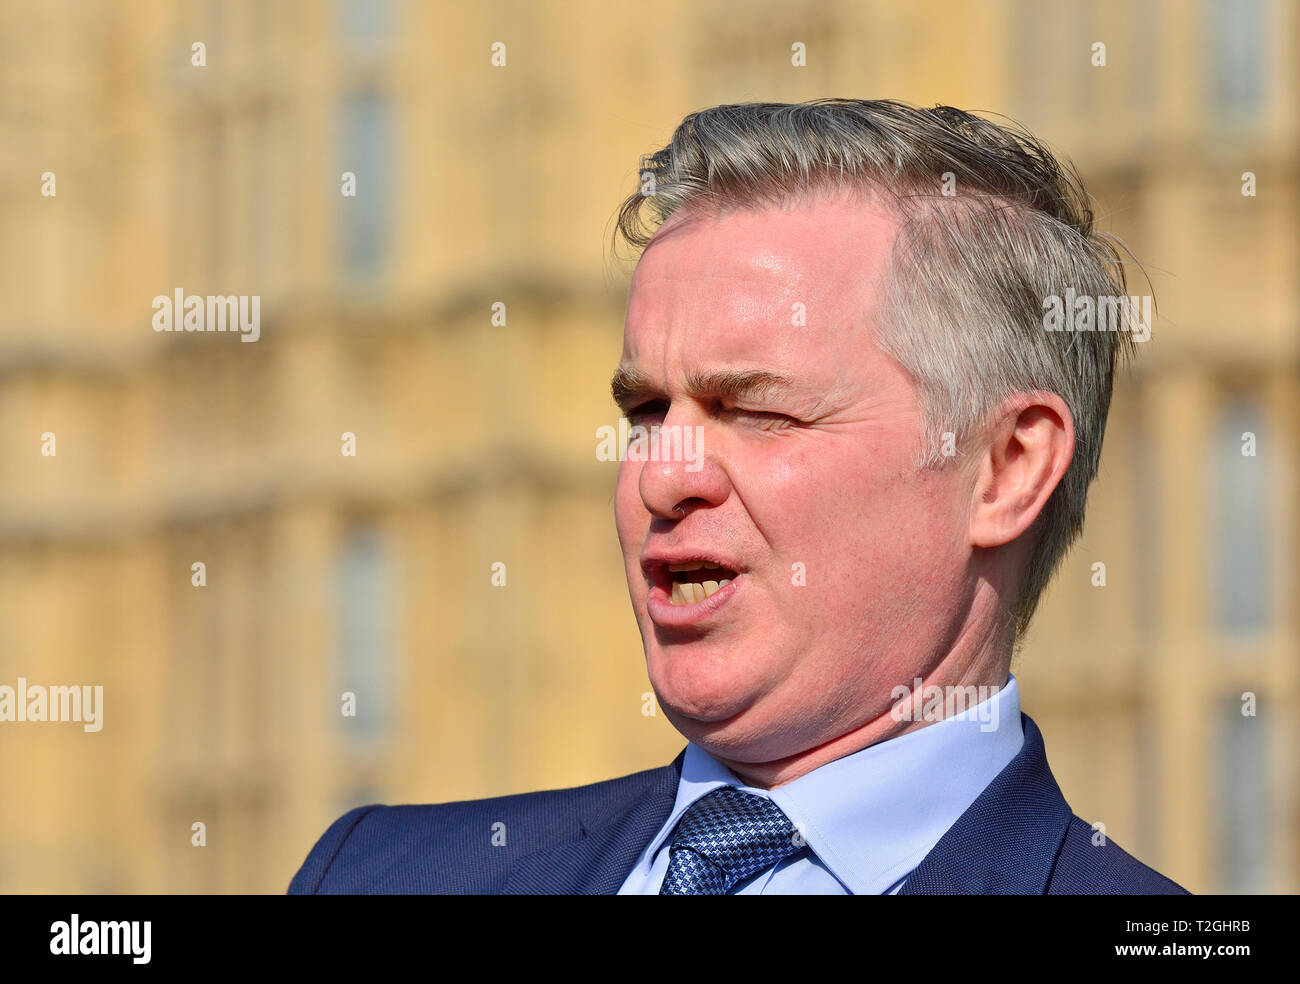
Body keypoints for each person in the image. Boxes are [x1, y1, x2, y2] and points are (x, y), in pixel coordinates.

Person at [289, 99, 1187, 895]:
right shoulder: (375, 876)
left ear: (1007, 468)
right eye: (646, 411)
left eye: (755, 411)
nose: (661, 475)